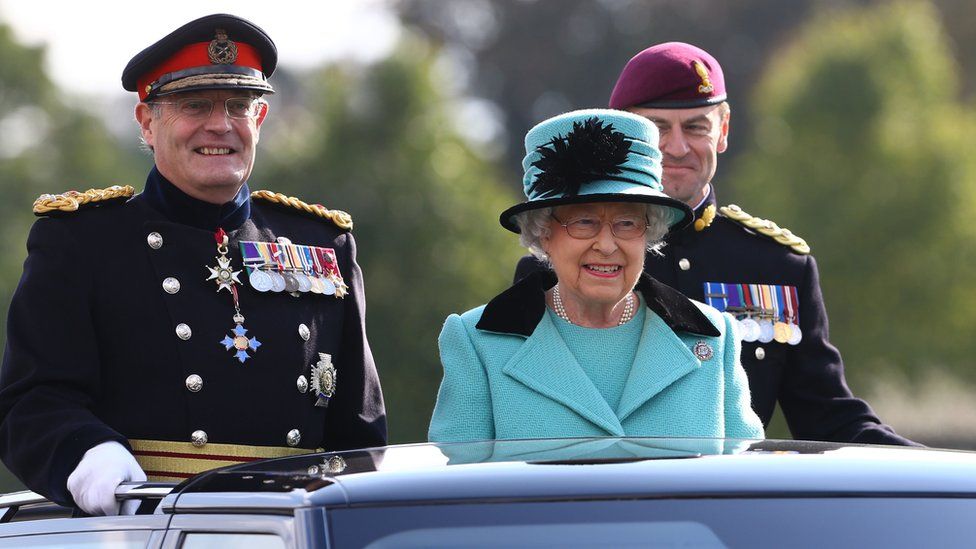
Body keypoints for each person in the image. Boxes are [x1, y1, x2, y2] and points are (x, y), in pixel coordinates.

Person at [0, 14, 386, 516]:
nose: (220, 125)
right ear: (147, 122)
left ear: (260, 120)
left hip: (293, 529)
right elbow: (31, 402)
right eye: (194, 106)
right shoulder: (82, 241)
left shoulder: (322, 243)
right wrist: (88, 455)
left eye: (239, 107)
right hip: (143, 528)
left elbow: (361, 432)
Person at [515, 42, 914, 445]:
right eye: (656, 129)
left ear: (722, 131)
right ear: (624, 139)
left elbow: (829, 419)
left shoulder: (777, 265)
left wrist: (950, 476)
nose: (677, 147)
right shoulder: (559, 266)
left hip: (724, 501)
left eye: (695, 127)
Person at [429, 109, 764, 442]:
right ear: (544, 232)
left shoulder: (713, 338)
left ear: (649, 233)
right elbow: (460, 490)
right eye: (584, 222)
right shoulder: (479, 343)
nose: (606, 245)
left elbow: (743, 485)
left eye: (627, 223)